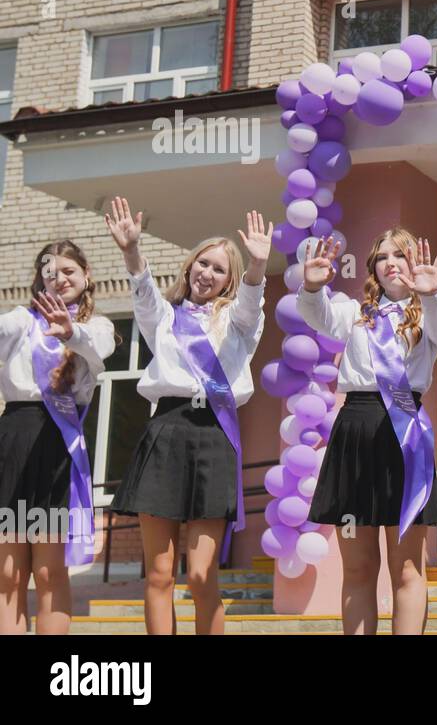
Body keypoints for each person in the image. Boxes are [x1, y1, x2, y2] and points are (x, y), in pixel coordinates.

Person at [106, 198, 270, 635]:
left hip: (214, 439)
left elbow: (252, 302)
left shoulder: (236, 323)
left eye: (219, 269)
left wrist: (256, 265)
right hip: (165, 434)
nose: (207, 274)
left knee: (201, 575)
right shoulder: (164, 318)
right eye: (203, 263)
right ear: (189, 266)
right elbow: (142, 293)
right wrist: (130, 251)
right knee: (159, 576)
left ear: (228, 281)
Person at [298, 230, 437, 635]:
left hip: (405, 435)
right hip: (356, 430)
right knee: (358, 565)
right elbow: (318, 315)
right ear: (373, 268)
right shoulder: (354, 312)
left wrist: (434, 290)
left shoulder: (429, 314)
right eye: (382, 256)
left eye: (401, 255)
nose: (391, 262)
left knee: (406, 566)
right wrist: (314, 286)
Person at [0, 241, 116, 635]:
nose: (61, 278)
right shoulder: (20, 319)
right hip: (14, 443)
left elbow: (97, 347)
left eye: (69, 270)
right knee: (9, 573)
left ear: (86, 277)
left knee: (50, 572)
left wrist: (70, 332)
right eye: (51, 271)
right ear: (40, 279)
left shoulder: (98, 326)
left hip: (57, 448)